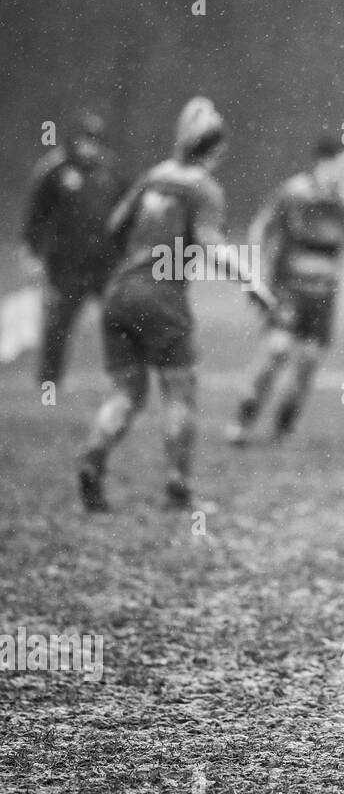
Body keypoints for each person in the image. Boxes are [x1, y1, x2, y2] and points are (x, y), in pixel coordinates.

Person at [77, 98, 272, 512]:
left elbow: (114, 226)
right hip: (163, 299)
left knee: (126, 395)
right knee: (179, 392)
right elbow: (210, 243)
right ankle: (177, 489)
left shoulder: (154, 178)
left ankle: (93, 460)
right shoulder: (203, 188)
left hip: (120, 293)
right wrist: (251, 280)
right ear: (216, 149)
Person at [225, 135, 344, 445]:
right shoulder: (294, 193)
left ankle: (282, 429)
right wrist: (254, 272)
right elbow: (260, 227)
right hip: (288, 290)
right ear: (324, 163)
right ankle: (242, 421)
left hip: (323, 295)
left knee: (308, 362)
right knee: (278, 350)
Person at [21, 111, 127, 388]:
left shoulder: (110, 170)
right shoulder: (54, 169)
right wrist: (31, 253)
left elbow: (124, 214)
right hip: (65, 265)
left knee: (120, 319)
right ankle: (49, 382)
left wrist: (124, 252)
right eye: (84, 140)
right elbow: (36, 215)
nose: (89, 146)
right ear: (73, 140)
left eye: (94, 140)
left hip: (104, 263)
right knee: (58, 324)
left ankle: (124, 377)